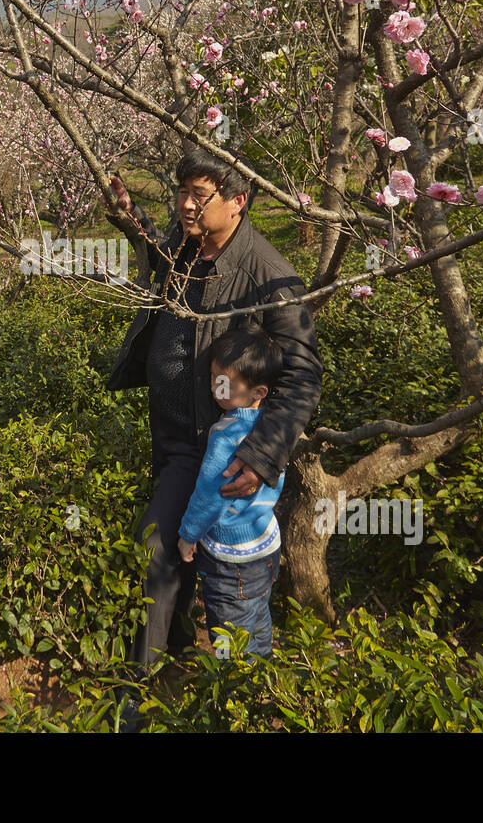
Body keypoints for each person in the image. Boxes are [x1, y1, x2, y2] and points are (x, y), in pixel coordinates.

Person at [103, 150, 322, 718]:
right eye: (182, 192)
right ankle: (174, 650)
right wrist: (130, 218)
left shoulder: (271, 277)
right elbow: (162, 256)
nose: (185, 204)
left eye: (199, 195)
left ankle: (150, 692)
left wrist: (263, 453)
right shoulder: (184, 240)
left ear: (238, 202)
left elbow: (302, 378)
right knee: (168, 550)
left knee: (160, 549)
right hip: (174, 432)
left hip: (214, 446)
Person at [177, 327, 286, 659]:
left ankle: (234, 696)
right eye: (213, 378)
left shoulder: (224, 436)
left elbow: (210, 495)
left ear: (258, 390)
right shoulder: (276, 428)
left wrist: (188, 535)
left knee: (227, 635)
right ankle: (263, 680)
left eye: (224, 382)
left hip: (231, 558)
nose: (214, 388)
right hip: (266, 546)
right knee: (257, 619)